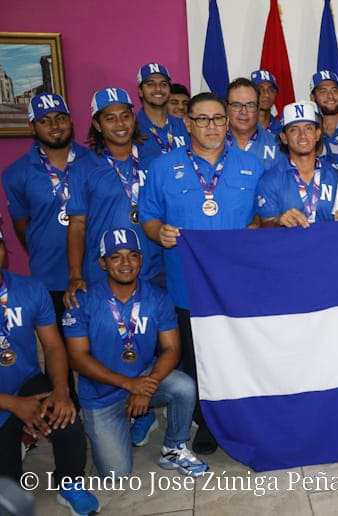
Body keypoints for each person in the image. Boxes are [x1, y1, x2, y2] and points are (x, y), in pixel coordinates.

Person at [139, 92, 265, 454]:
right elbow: (148, 216)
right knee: (197, 358)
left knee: (239, 353)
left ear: (228, 122)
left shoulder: (251, 165)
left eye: (218, 118)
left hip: (238, 284)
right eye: (202, 119)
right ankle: (207, 422)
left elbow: (264, 213)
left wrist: (258, 226)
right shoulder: (163, 167)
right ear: (187, 123)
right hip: (187, 284)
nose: (211, 126)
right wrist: (158, 233)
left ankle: (241, 418)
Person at [64, 228, 207, 478]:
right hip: (102, 395)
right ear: (103, 263)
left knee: (183, 386)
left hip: (142, 378)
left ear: (141, 259)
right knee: (116, 473)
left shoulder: (157, 297)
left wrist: (146, 386)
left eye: (132, 255)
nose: (126, 263)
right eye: (116, 257)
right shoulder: (82, 300)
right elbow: (78, 359)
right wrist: (129, 385)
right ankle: (122, 421)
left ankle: (174, 448)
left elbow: (172, 349)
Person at [0, 229, 99, 515]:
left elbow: (54, 347)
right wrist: (12, 404)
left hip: (25, 383)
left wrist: (61, 391)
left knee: (67, 418)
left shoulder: (30, 289)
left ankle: (70, 484)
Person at [66, 88, 163, 318]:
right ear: (97, 125)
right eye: (110, 118)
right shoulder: (83, 167)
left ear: (134, 119)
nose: (120, 124)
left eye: (125, 115)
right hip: (104, 272)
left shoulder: (156, 159)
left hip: (154, 269)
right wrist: (75, 275)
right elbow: (77, 225)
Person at [2, 93, 93, 325]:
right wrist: (45, 246)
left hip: (96, 273)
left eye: (60, 118)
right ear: (32, 126)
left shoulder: (94, 161)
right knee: (59, 342)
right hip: (49, 277)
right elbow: (22, 227)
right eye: (44, 120)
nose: (55, 126)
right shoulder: (16, 173)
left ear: (70, 121)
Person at [256, 101, 338, 228]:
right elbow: (263, 227)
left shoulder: (335, 176)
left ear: (317, 134)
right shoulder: (270, 180)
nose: (302, 135)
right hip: (287, 241)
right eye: (294, 130)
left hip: (328, 240)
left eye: (308, 128)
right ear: (284, 137)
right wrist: (278, 221)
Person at [135, 63, 189, 163]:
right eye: (150, 84)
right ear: (140, 91)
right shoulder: (132, 128)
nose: (158, 89)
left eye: (163, 84)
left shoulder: (184, 125)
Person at [225, 77, 283, 170]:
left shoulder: (277, 145)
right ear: (227, 107)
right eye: (236, 105)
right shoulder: (212, 141)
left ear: (258, 108)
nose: (243, 111)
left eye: (250, 105)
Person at [251, 69, 282, 134]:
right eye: (260, 89)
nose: (266, 94)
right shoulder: (241, 126)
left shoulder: (282, 129)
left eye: (271, 89)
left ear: (275, 94)